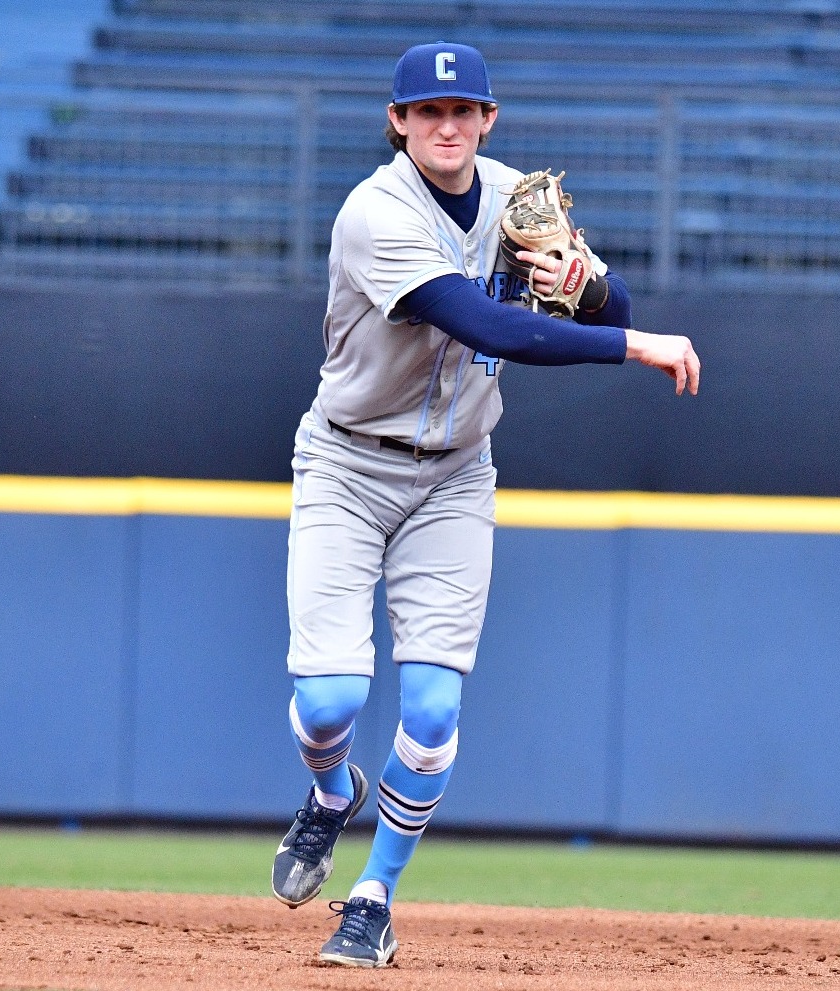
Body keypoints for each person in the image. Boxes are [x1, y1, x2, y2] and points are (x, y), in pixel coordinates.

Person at [270, 41, 700, 968]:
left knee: (428, 712)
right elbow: (487, 323)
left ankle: (374, 898)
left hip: (456, 473)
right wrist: (633, 342)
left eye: (464, 111)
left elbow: (602, 293)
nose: (448, 125)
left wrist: (585, 286)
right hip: (348, 465)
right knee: (329, 701)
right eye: (429, 112)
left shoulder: (515, 197)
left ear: (489, 120)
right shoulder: (373, 212)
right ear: (399, 122)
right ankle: (329, 792)